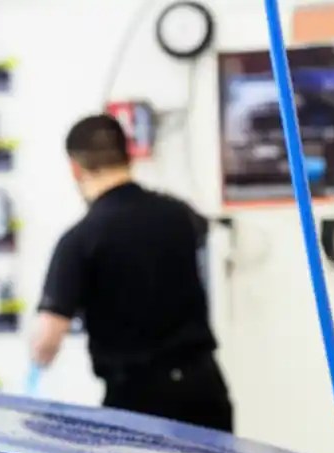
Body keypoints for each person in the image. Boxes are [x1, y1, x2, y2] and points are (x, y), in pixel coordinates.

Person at [31, 114, 233, 432]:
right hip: (204, 391)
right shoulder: (180, 215)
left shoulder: (80, 240)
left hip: (138, 405)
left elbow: (46, 342)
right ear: (129, 156)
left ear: (75, 168)